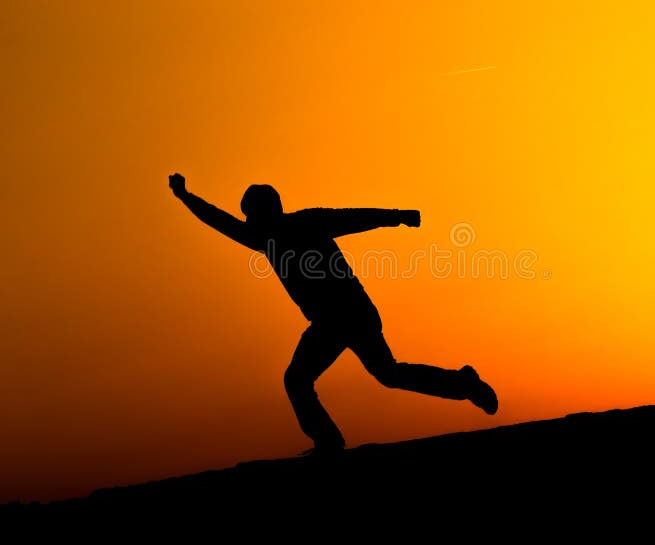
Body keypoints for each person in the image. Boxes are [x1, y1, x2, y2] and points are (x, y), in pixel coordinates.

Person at [168, 172, 498, 455]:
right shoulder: (262, 236)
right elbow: (219, 220)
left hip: (346, 315)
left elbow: (353, 218)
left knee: (312, 379)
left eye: (251, 215)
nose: (248, 222)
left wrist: (396, 215)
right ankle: (463, 384)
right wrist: (185, 196)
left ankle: (330, 440)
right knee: (379, 374)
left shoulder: (303, 224)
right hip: (338, 318)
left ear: (264, 212)